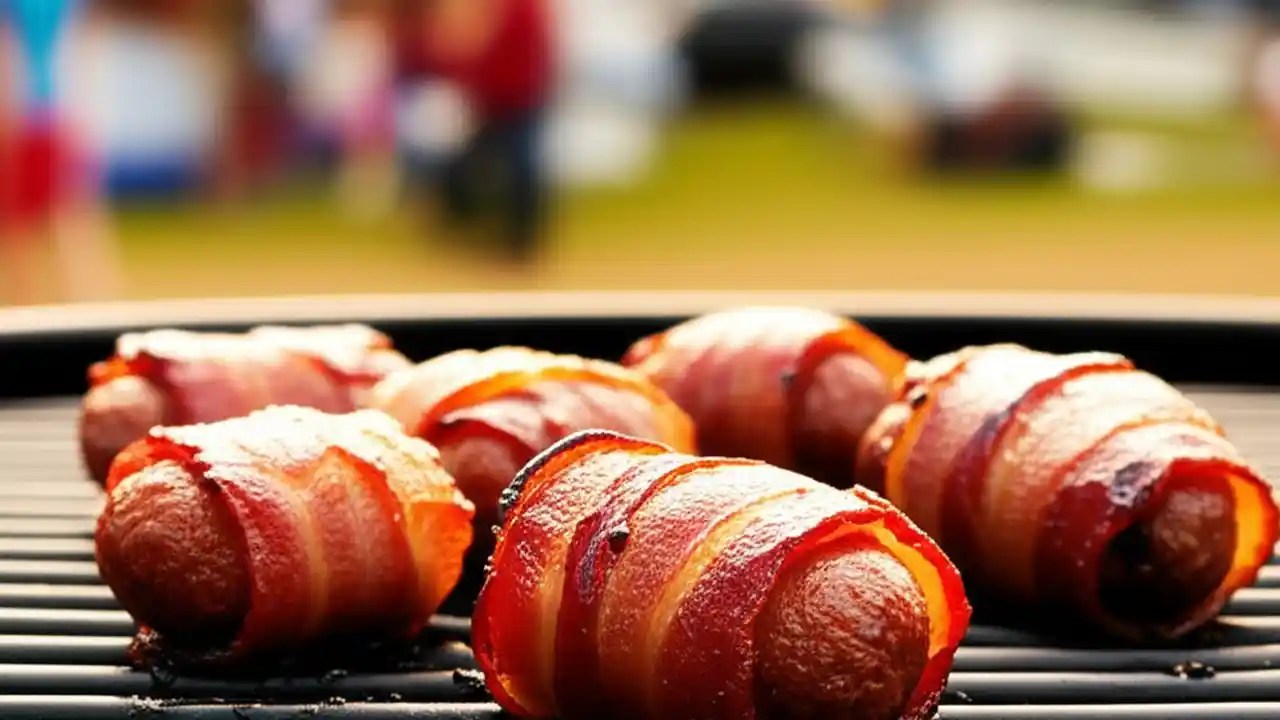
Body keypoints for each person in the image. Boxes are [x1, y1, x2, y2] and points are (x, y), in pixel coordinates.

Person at [398, 0, 556, 263]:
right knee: (451, 155)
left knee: (523, 166)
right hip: (483, 101)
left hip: (518, 100)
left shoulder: (521, 10)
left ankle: (522, 241)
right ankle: (461, 222)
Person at [0, 0, 121, 305]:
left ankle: (27, 314)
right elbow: (82, 49)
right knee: (72, 221)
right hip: (61, 114)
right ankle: (95, 307)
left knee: (19, 232)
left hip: (24, 118)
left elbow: (8, 57)